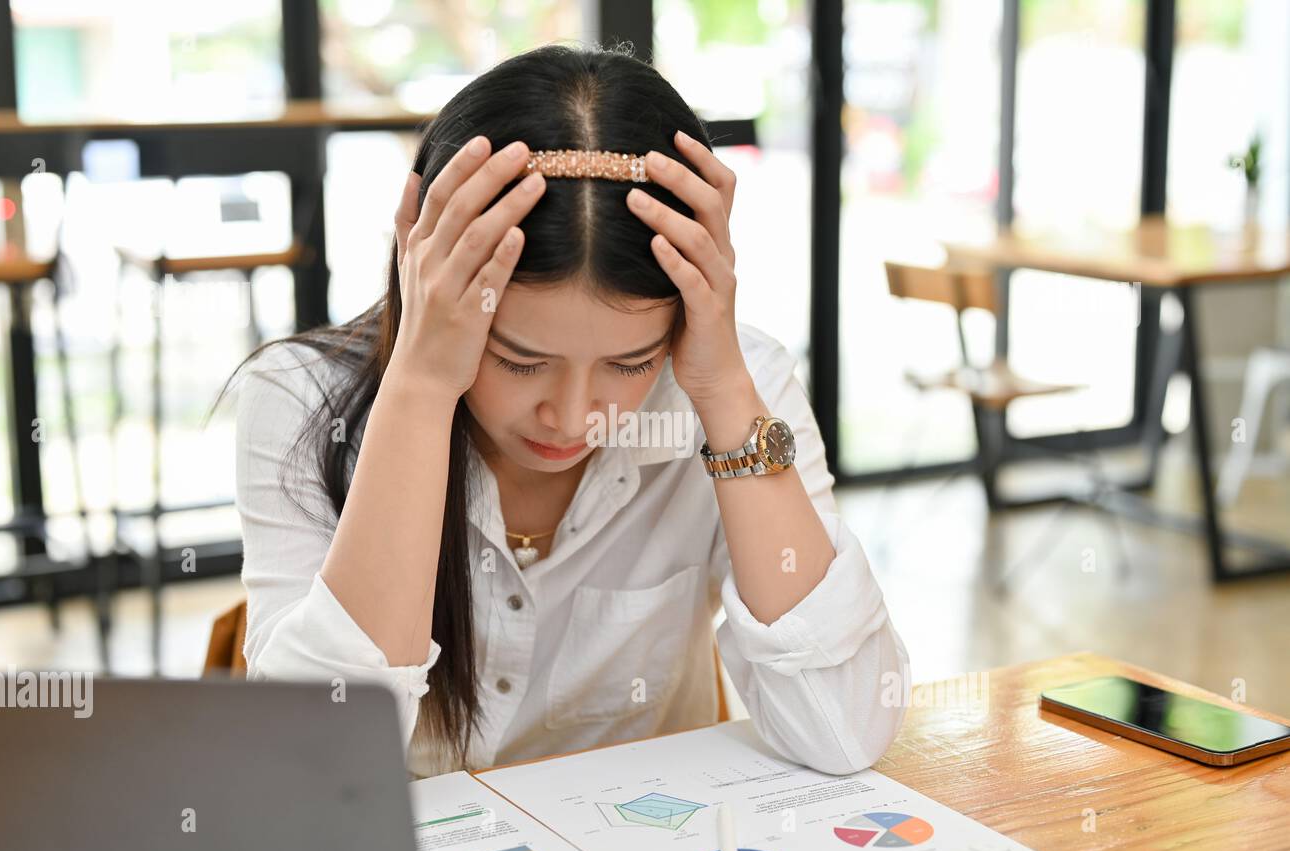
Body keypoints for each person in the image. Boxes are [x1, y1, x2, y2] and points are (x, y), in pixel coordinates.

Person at [219, 42, 910, 779]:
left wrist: (726, 394)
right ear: (424, 266)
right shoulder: (298, 401)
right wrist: (420, 385)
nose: (574, 417)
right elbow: (314, 769)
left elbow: (844, 729)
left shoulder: (738, 391)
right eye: (520, 361)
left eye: (630, 363)